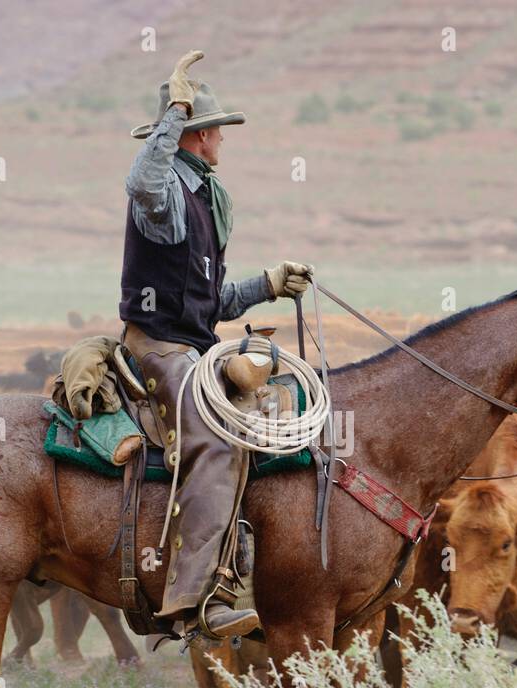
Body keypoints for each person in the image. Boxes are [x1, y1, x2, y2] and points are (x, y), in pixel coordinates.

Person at [120, 49, 311, 639]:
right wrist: (175, 111)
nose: (223, 142)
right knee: (220, 443)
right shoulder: (165, 192)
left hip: (194, 343)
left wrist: (268, 285)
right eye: (218, 132)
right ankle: (193, 598)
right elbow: (141, 182)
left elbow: (210, 300)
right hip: (158, 348)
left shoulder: (203, 197)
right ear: (199, 136)